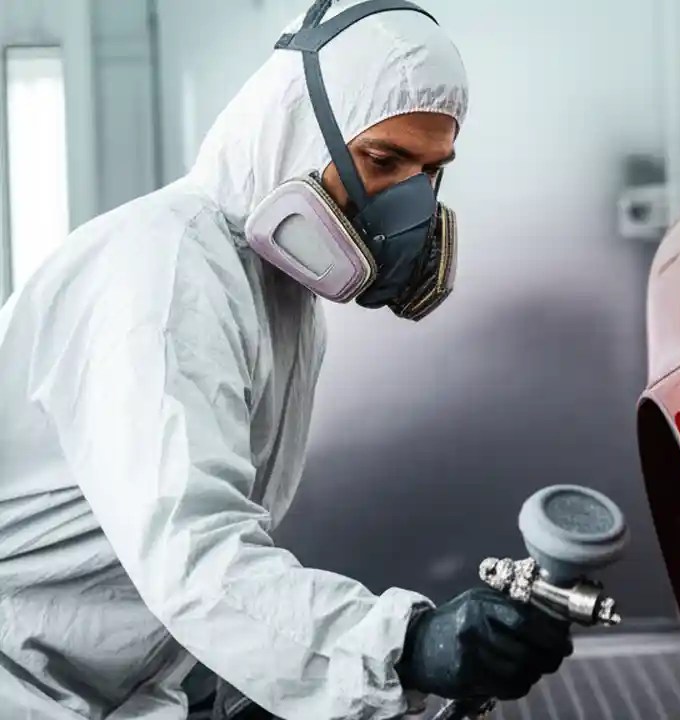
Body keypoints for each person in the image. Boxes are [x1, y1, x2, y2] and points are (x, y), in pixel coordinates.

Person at [0, 1, 573, 717]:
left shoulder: (279, 297)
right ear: (295, 136)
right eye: (383, 160)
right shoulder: (165, 273)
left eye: (429, 171)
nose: (412, 204)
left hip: (110, 687)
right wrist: (408, 644)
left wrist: (244, 681)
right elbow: (196, 554)